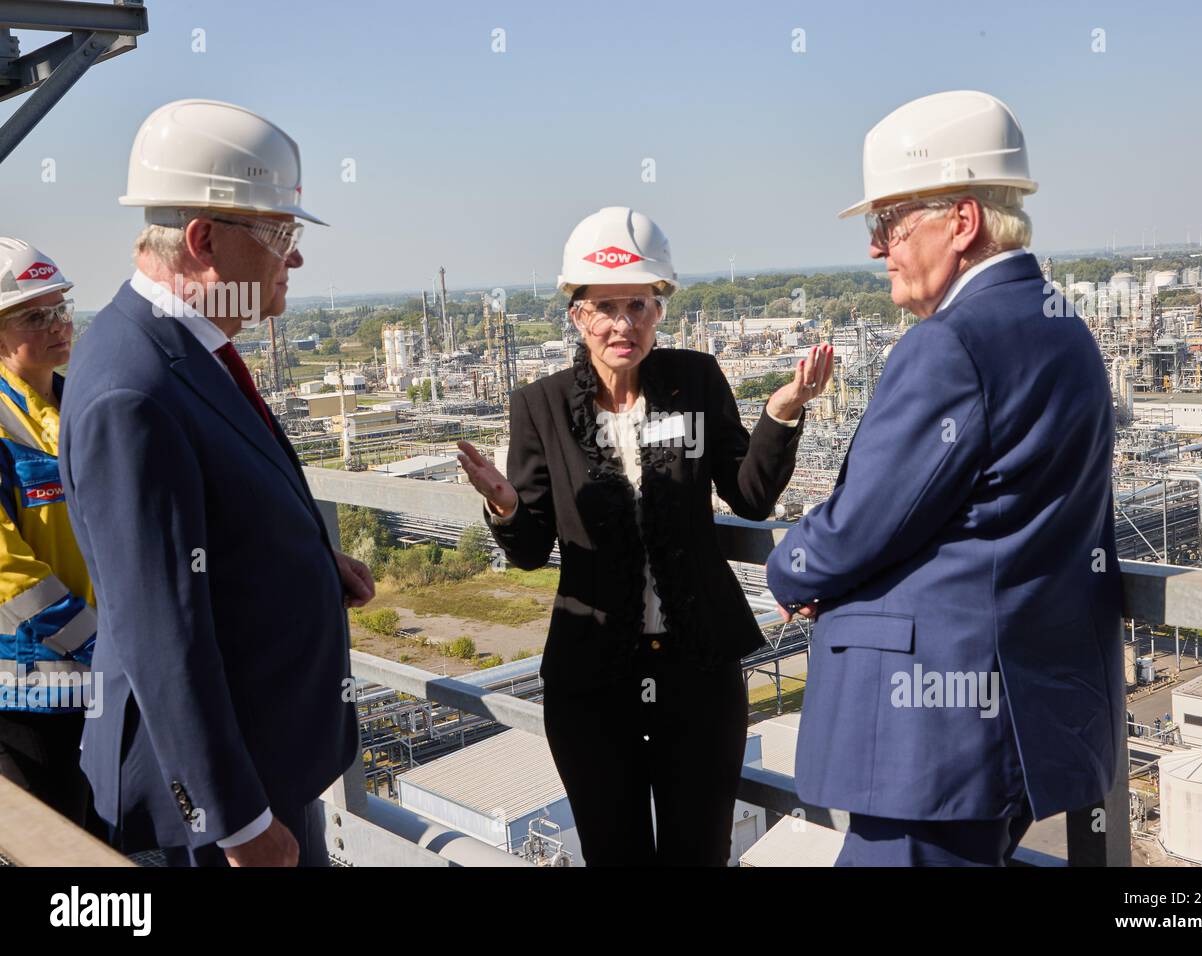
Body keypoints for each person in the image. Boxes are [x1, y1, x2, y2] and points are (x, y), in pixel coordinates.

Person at [767, 91, 1125, 866]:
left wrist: (787, 567)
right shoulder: (1064, 326)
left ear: (961, 221)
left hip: (930, 746)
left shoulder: (950, 344)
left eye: (889, 224)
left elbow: (862, 525)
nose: (874, 248)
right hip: (1021, 720)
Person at [457, 206, 832, 865]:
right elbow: (528, 550)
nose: (622, 325)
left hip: (697, 671)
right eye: (604, 308)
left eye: (638, 305)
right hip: (593, 682)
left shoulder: (696, 379)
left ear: (661, 309)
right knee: (614, 853)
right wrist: (506, 502)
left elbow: (748, 494)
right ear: (576, 315)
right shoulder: (540, 407)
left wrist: (782, 412)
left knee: (699, 852)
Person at [58, 99, 374, 867]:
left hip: (256, 764)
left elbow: (206, 526)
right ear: (203, 241)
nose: (293, 261)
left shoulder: (178, 350)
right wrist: (235, 822)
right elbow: (159, 631)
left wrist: (302, 560)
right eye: (281, 235)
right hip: (204, 813)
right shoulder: (133, 389)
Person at [0, 239, 98, 829]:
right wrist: (96, 639)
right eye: (35, 315)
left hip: (95, 674)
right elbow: (8, 574)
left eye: (60, 308)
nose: (58, 325)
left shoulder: (74, 401)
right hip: (28, 688)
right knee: (53, 835)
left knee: (97, 821)